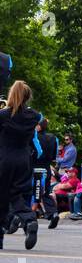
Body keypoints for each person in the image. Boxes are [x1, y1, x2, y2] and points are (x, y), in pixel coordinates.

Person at [0, 81, 42, 250]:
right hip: (24, 159)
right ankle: (29, 220)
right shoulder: (34, 116)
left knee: (1, 195)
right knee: (17, 194)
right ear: (27, 97)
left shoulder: (3, 115)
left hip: (4, 158)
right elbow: (39, 120)